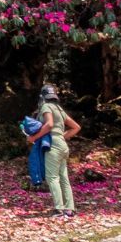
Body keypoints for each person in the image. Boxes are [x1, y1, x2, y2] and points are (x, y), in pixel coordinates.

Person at [27, 84, 82, 217]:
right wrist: (61, 136)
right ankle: (70, 209)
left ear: (43, 97)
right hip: (63, 145)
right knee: (64, 178)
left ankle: (59, 209)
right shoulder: (59, 109)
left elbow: (49, 124)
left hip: (52, 145)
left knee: (52, 177)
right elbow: (76, 127)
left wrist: (33, 137)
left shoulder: (46, 106)